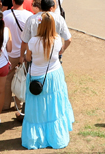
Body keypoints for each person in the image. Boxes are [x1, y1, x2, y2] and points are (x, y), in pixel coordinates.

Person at [22, 12, 75, 149]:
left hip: (36, 76)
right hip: (54, 75)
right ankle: (54, 135)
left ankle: (36, 137)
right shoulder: (57, 40)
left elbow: (28, 58)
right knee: (54, 106)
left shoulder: (33, 41)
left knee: (36, 108)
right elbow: (61, 49)